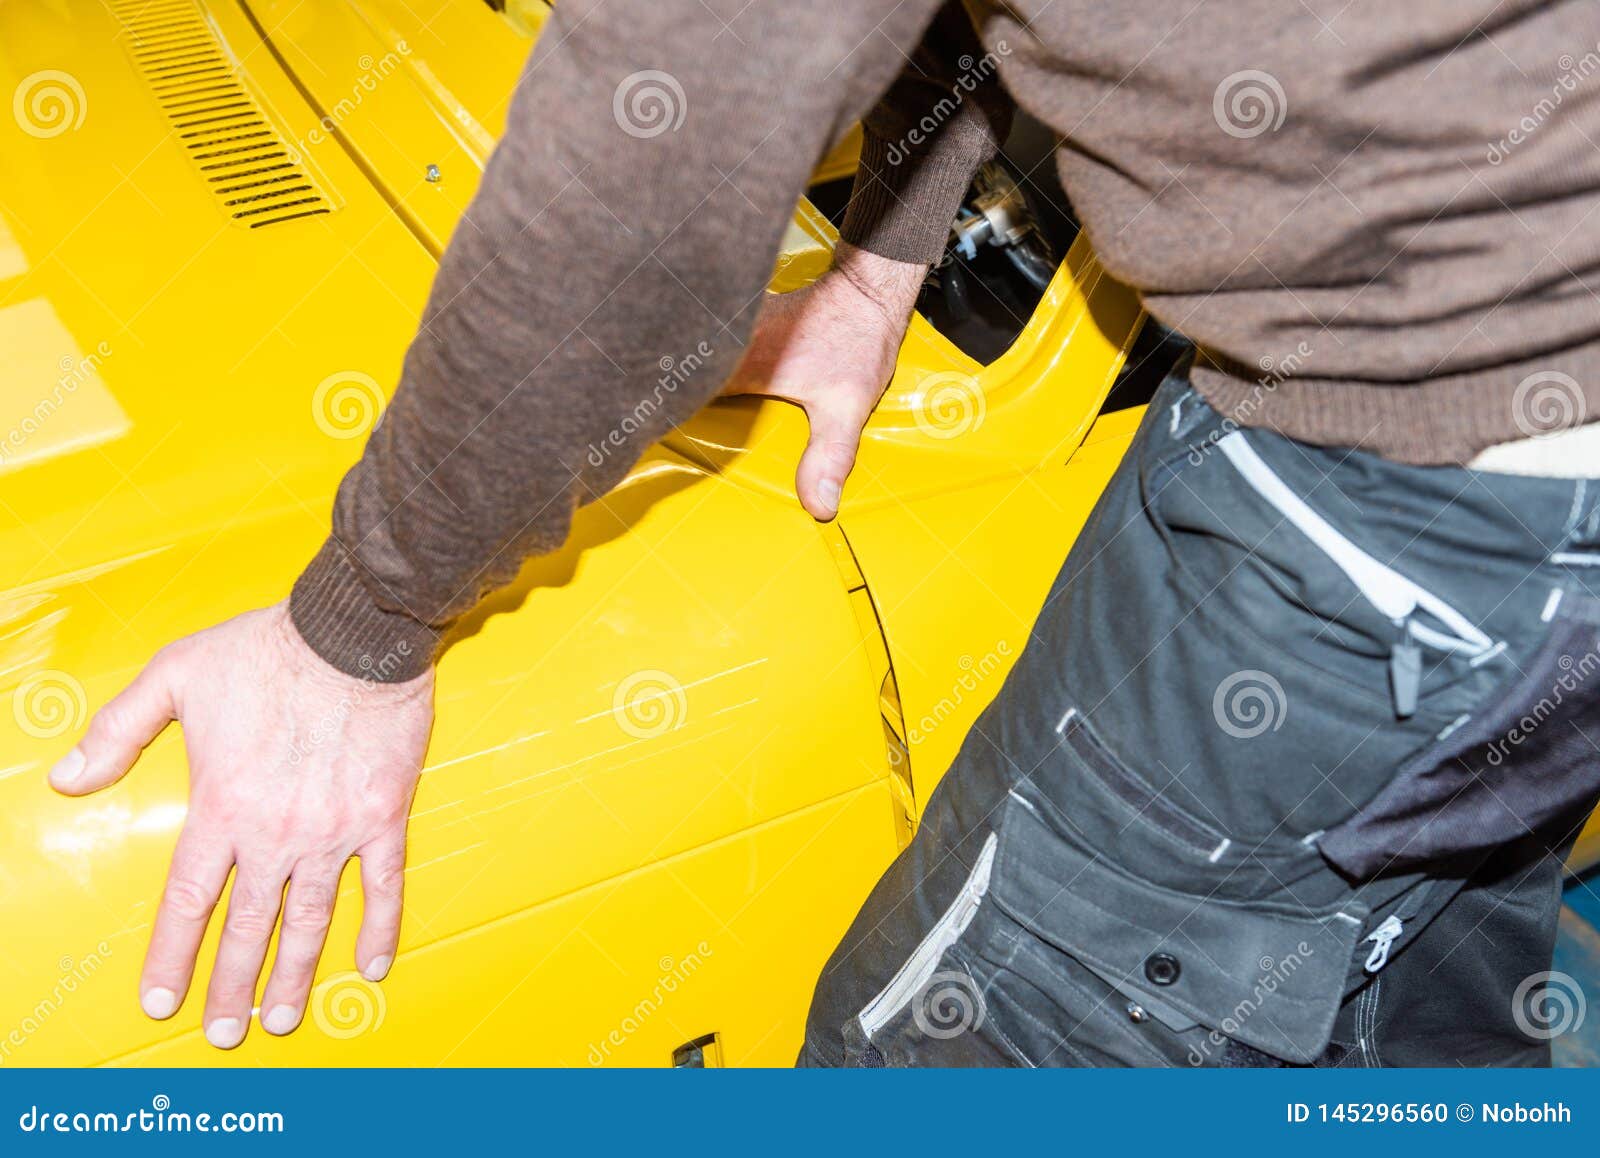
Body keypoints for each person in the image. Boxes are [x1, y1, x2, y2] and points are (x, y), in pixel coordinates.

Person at [50, 0, 1600, 1063]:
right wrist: (879, 265)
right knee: (1430, 950)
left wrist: (361, 627)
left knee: (920, 1055)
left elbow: (639, 193)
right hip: (1515, 434)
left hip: (1440, 468)